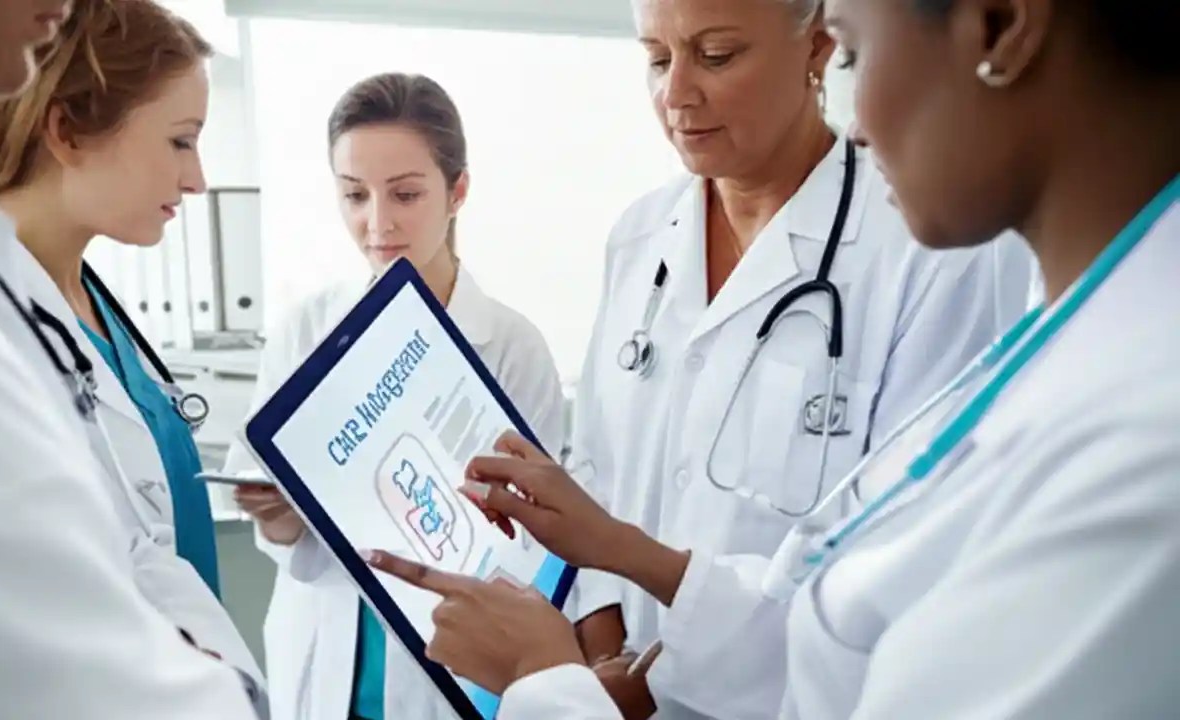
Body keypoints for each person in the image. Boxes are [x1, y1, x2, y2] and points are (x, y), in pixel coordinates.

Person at [370, 0, 1180, 717]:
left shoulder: (1130, 431)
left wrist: (546, 683)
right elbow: (820, 598)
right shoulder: (1075, 348)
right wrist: (598, 617)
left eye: (857, 46)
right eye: (656, 59)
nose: (677, 94)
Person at [553, 0, 1032, 715]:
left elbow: (902, 566)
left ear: (817, 45)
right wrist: (597, 665)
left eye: (716, 55)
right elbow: (590, 471)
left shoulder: (927, 252)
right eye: (656, 58)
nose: (676, 94)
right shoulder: (639, 236)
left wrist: (650, 687)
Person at [0, 0, 264, 716]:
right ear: (67, 131)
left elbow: (138, 539)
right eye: (180, 142)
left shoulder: (77, 298)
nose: (197, 181)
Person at [222, 73, 566, 720]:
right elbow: (282, 523)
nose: (376, 223)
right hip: (327, 662)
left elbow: (532, 545)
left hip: (447, 677)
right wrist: (275, 513)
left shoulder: (514, 349)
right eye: (354, 195)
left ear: (457, 191)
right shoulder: (304, 331)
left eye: (406, 194)